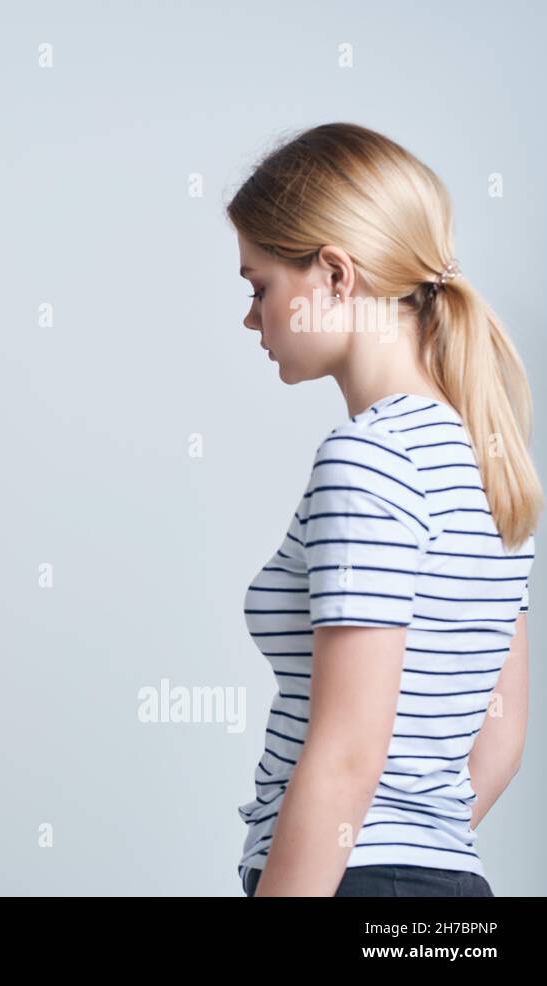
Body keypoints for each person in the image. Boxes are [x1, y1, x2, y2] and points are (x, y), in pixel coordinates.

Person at [228, 123, 539, 897]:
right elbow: (500, 740)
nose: (250, 318)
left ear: (334, 273)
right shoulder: (491, 462)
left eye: (259, 286)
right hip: (440, 887)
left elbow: (345, 752)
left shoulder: (369, 458)